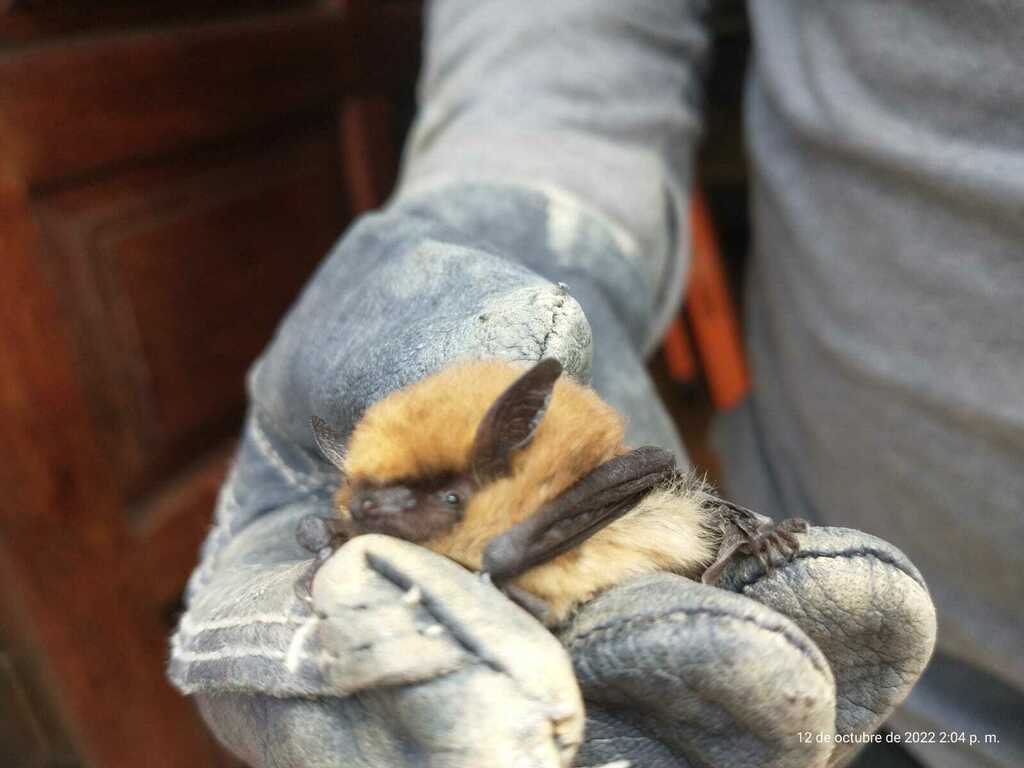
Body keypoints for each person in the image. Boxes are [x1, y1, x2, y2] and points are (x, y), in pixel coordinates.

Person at [169, 2, 1021, 766]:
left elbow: (590, 506)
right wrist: (508, 225)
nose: (387, 515)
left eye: (432, 496)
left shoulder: (542, 514)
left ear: (503, 476)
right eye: (371, 499)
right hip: (864, 679)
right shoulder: (386, 517)